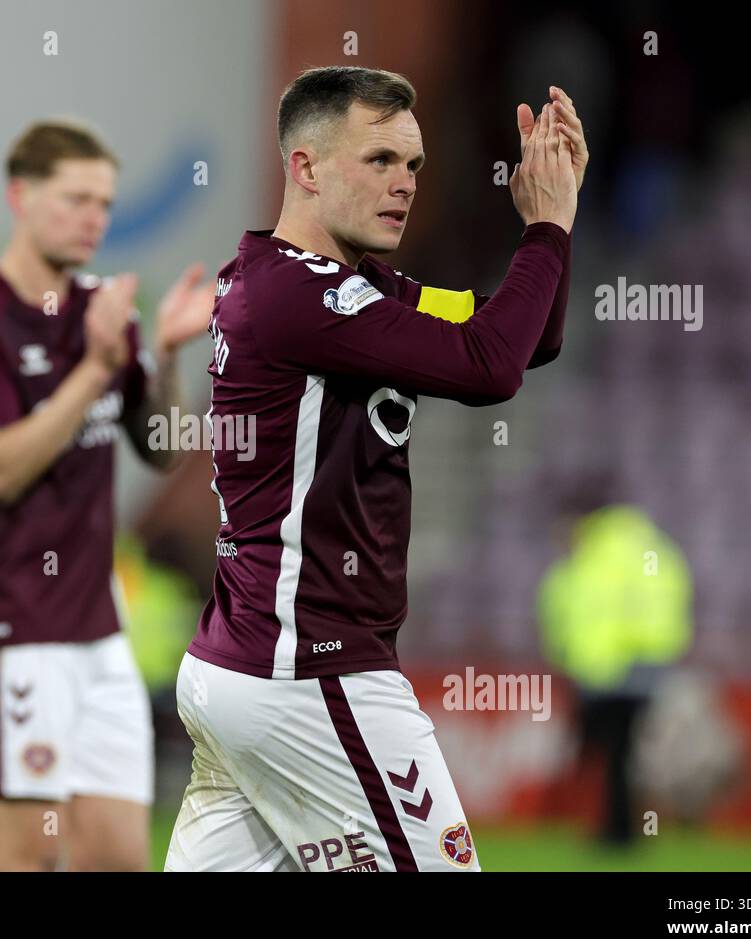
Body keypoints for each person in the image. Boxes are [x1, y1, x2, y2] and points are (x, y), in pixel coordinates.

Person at [166, 66, 586, 871]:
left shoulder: (355, 288)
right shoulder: (298, 296)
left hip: (244, 666)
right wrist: (548, 230)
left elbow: (523, 340)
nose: (404, 184)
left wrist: (553, 216)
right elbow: (489, 367)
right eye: (380, 160)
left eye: (415, 166)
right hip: (311, 670)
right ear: (306, 167)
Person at [0, 120, 213, 870]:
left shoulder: (99, 308)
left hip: (98, 629)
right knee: (28, 857)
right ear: (20, 196)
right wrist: (92, 367)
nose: (95, 218)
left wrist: (165, 355)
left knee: (115, 862)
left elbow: (163, 450)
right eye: (76, 199)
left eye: (105, 203)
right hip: (13, 622)